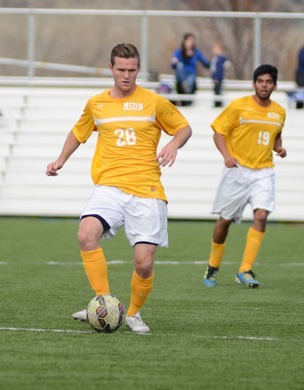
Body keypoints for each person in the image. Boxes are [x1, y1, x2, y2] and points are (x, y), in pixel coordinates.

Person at [46, 43, 191, 334]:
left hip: (146, 189)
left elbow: (184, 128)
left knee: (143, 263)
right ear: (111, 68)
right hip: (109, 186)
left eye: (132, 70)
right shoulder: (97, 104)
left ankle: (133, 313)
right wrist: (60, 159)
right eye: (121, 70)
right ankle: (104, 304)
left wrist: (174, 144)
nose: (126, 75)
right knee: (86, 234)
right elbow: (78, 132)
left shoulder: (154, 102)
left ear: (138, 69)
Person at [202, 64, 286, 289]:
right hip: (237, 170)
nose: (264, 85)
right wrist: (226, 156)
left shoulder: (279, 112)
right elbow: (218, 132)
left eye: (268, 82)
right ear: (254, 84)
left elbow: (275, 136)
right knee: (225, 220)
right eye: (260, 81)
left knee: (261, 216)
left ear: (275, 85)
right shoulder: (239, 106)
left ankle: (245, 269)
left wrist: (279, 148)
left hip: (264, 171)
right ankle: (213, 265)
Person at [170, 33, 210, 106]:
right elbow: (172, 65)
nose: (190, 43)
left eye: (191, 41)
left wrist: (217, 62)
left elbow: (206, 63)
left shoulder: (196, 52)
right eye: (188, 40)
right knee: (180, 65)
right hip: (181, 79)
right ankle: (184, 84)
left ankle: (187, 90)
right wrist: (174, 61)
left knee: (190, 80)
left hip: (191, 76)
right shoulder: (179, 52)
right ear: (184, 41)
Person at [209, 42, 229, 108]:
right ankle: (217, 103)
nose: (214, 50)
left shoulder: (220, 58)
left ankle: (218, 104)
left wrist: (216, 78)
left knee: (218, 91)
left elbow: (219, 69)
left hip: (218, 79)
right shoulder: (217, 57)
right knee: (216, 90)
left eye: (215, 49)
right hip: (215, 78)